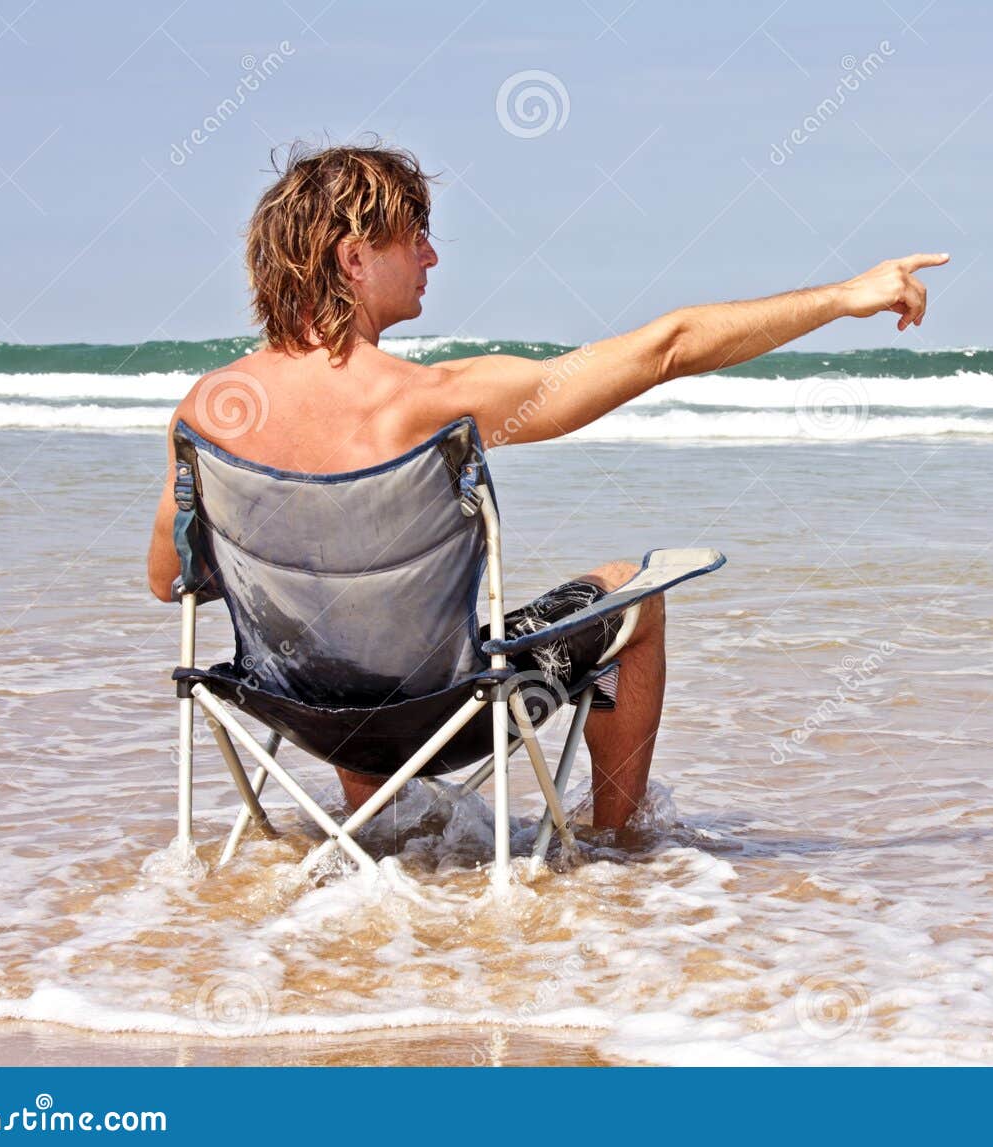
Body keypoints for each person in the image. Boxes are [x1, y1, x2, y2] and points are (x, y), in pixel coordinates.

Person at [146, 142, 947, 829]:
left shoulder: (207, 412)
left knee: (342, 620)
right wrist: (845, 297)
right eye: (415, 237)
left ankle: (376, 826)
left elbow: (167, 580)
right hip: (451, 715)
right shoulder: (436, 401)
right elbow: (665, 348)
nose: (431, 255)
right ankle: (620, 845)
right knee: (635, 591)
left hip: (303, 716)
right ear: (354, 259)